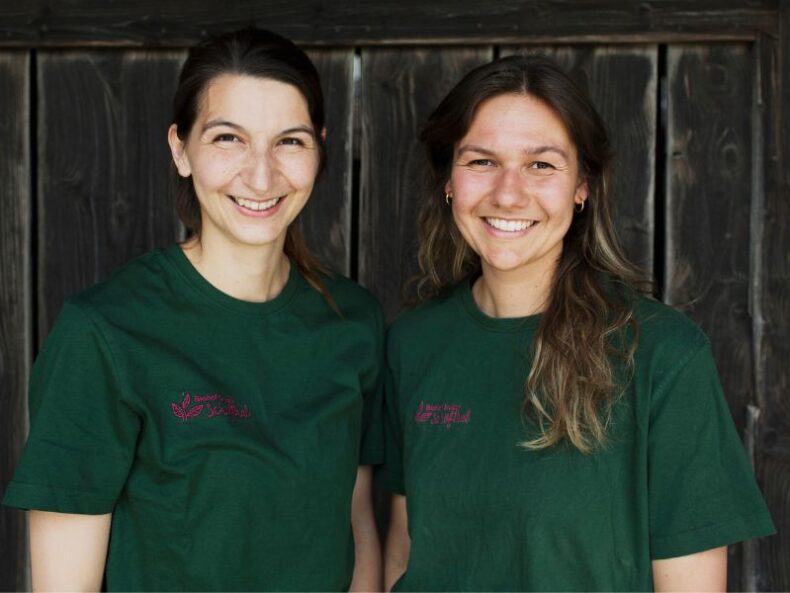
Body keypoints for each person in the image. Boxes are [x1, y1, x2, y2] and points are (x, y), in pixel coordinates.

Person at [3, 28, 383, 591]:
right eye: (229, 138)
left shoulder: (353, 322)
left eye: (289, 141)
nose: (261, 175)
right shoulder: (105, 332)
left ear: (320, 149)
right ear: (181, 149)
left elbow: (356, 525)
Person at [380, 54, 774, 592]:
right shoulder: (412, 343)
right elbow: (405, 553)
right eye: (482, 161)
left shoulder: (662, 354)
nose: (508, 194)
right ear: (448, 178)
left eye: (541, 165)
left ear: (582, 186)